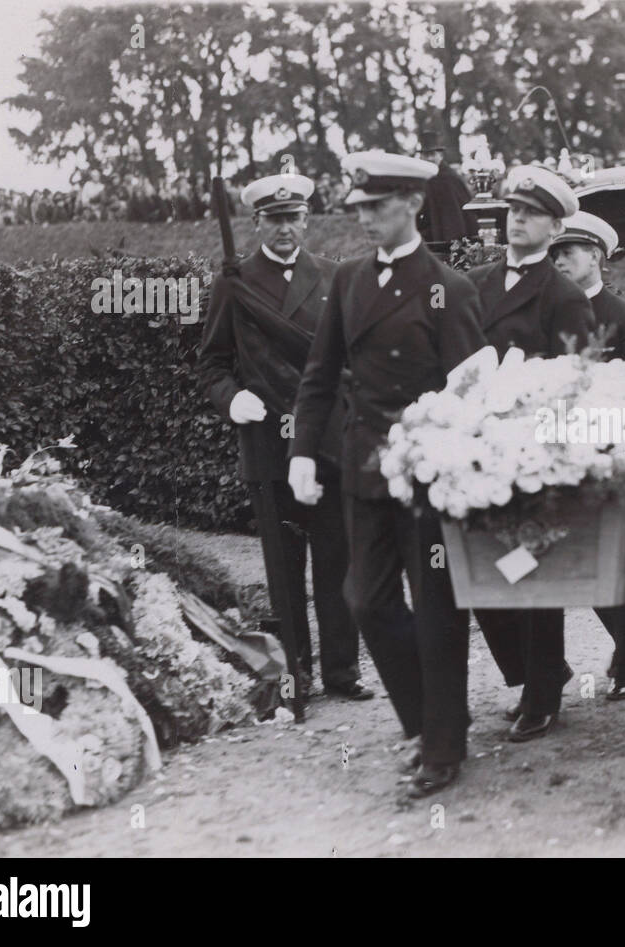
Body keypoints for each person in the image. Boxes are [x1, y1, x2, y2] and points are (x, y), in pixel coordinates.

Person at [288, 151, 487, 796]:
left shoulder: (448, 289)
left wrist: (455, 464)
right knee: (365, 602)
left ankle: (442, 744)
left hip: (428, 475)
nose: (366, 218)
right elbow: (320, 377)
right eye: (360, 207)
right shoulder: (347, 281)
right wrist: (300, 454)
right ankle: (424, 723)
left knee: (436, 611)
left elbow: (468, 392)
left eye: (377, 206)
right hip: (365, 469)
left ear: (413, 205)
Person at [196, 173, 369, 705]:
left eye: (294, 217)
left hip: (327, 443)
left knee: (338, 562)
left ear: (307, 220)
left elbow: (354, 362)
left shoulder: (335, 277)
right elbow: (211, 364)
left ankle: (343, 672)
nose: (285, 228)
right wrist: (231, 400)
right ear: (256, 223)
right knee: (284, 568)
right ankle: (297, 672)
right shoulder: (234, 282)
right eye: (274, 219)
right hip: (269, 442)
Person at [465, 165, 593, 742]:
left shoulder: (564, 297)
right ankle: (536, 672)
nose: (518, 220)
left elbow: (575, 381)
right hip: (473, 450)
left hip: (533, 454)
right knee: (484, 572)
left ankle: (542, 696)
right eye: (513, 210)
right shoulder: (476, 284)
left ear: (554, 226)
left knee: (531, 574)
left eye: (532, 213)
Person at [550, 210, 625, 700]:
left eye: (568, 252)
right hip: (554, 457)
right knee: (574, 565)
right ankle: (623, 639)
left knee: (614, 564)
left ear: (595, 255)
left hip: (611, 458)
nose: (560, 262)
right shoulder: (547, 316)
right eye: (554, 255)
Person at [417, 130, 473, 245]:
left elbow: (455, 218)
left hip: (448, 241)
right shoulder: (427, 178)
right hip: (431, 239)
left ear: (441, 155)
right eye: (425, 155)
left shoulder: (448, 178)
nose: (428, 159)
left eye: (432, 154)